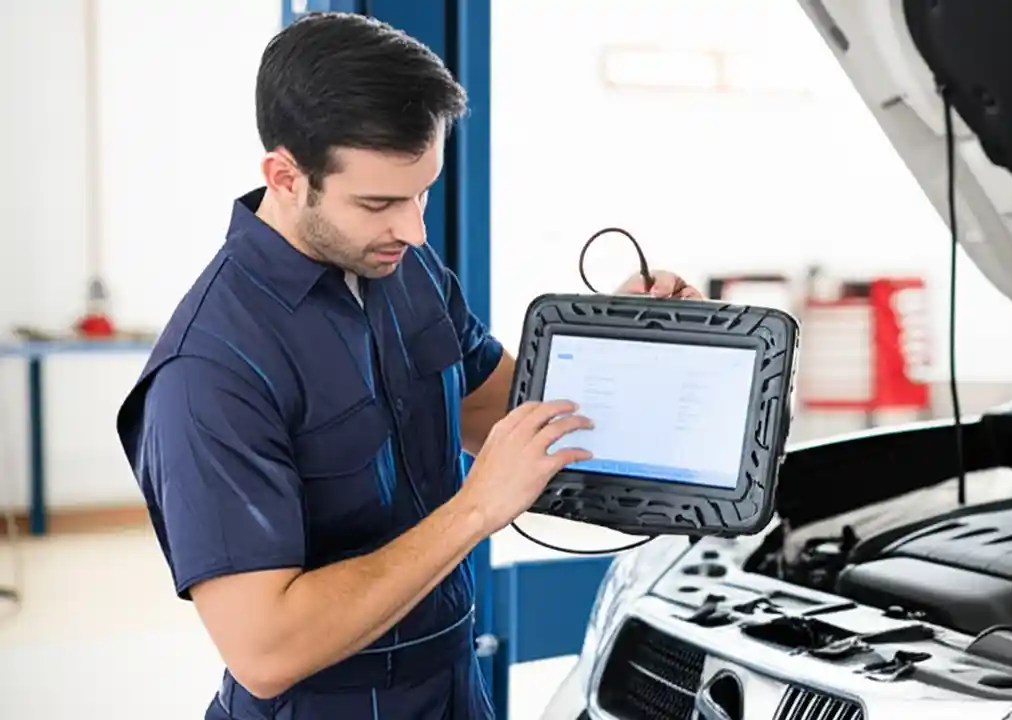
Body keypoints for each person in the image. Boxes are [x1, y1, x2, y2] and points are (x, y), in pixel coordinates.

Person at [114, 12, 701, 720]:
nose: (414, 228)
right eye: (379, 203)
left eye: (421, 191)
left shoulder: (403, 267)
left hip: (452, 686)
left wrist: (628, 344)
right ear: (285, 176)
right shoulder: (209, 368)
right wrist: (477, 508)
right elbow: (266, 651)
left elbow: (503, 416)